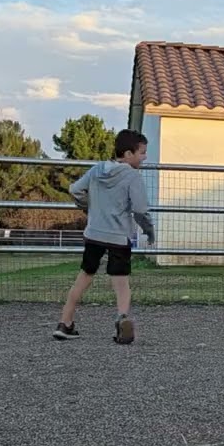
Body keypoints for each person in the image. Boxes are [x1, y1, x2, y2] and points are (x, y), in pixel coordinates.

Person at [52, 129, 156, 344]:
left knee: (84, 276)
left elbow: (75, 189)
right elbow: (139, 209)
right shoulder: (132, 176)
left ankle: (65, 323)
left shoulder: (97, 169)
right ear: (128, 154)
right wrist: (148, 229)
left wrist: (89, 206)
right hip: (119, 236)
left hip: (94, 233)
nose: (144, 157)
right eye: (142, 153)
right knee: (121, 282)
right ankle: (122, 321)